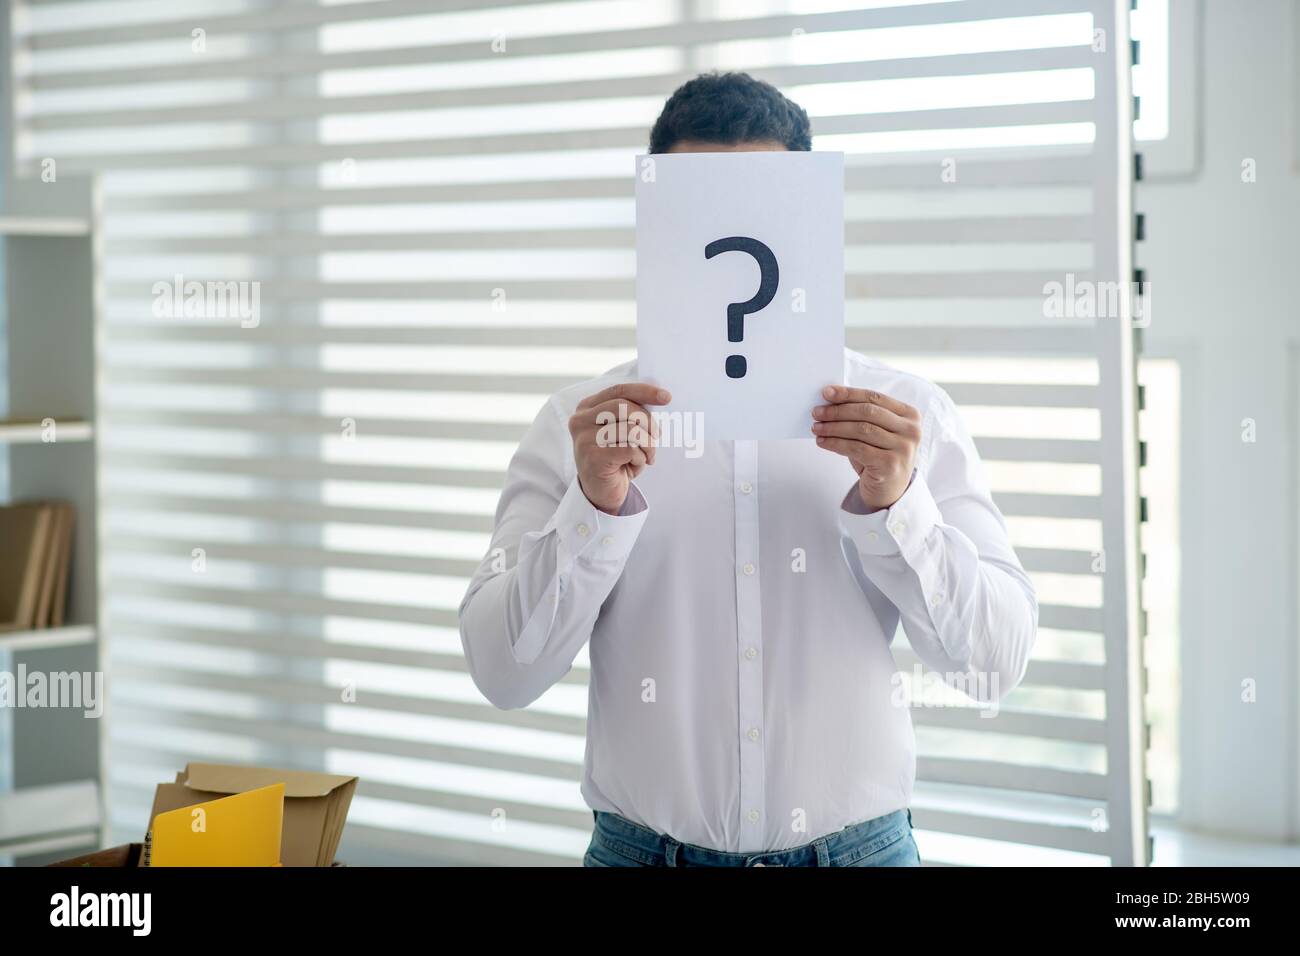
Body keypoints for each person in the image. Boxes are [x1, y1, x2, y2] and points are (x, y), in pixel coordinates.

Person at [459, 72, 1037, 867]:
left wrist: (898, 504)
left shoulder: (907, 415)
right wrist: (591, 506)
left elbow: (992, 667)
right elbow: (503, 672)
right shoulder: (582, 425)